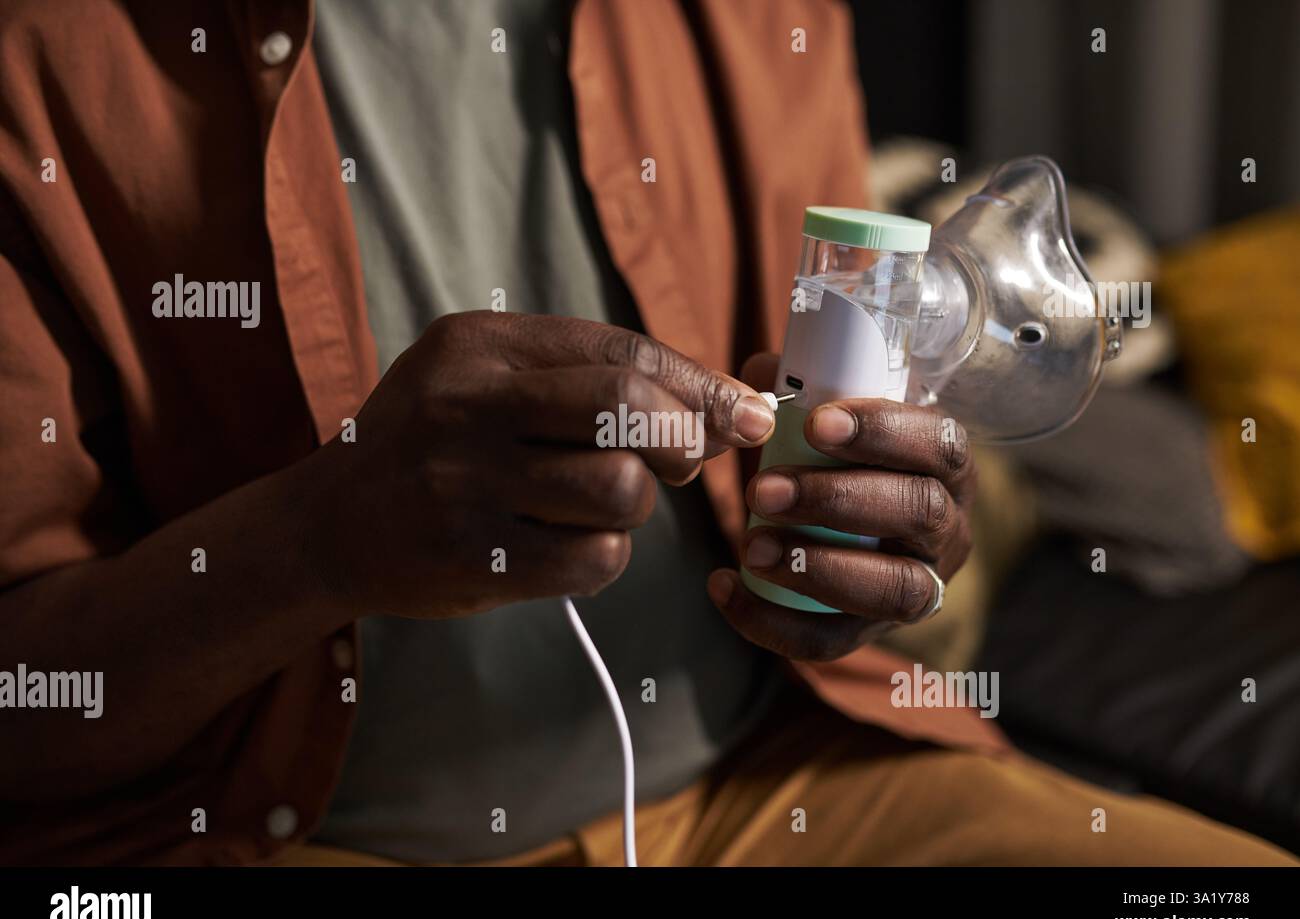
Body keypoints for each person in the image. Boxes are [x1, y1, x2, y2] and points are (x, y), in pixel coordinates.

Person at [0, 0, 1291, 866]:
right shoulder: (48, 54)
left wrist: (874, 536)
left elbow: (844, 397)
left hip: (791, 769)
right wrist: (316, 538)